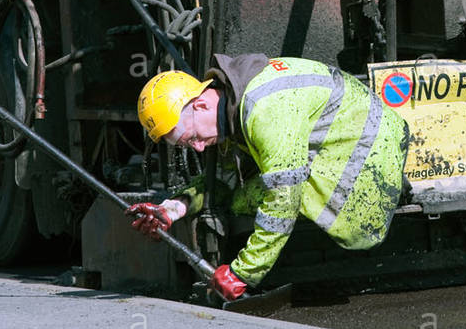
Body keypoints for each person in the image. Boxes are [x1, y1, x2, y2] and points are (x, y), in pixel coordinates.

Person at [127, 55, 410, 301]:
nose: (199, 147)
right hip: (350, 140)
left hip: (368, 151)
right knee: (241, 198)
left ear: (200, 105)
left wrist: (243, 272)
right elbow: (223, 183)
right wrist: (170, 209)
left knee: (279, 194)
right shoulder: (231, 104)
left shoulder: (262, 111)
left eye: (193, 138)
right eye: (189, 145)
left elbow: (283, 200)